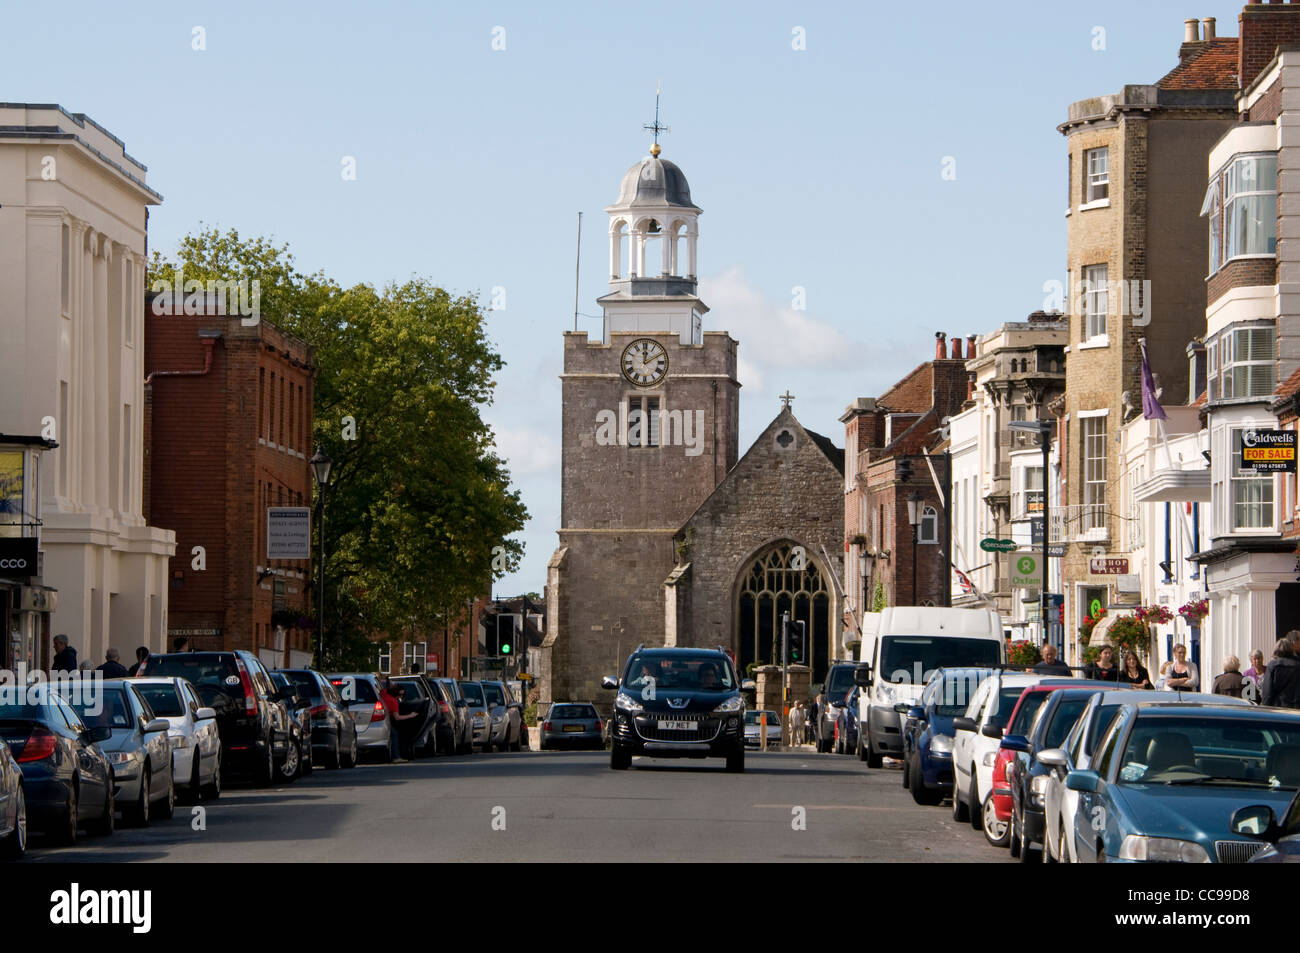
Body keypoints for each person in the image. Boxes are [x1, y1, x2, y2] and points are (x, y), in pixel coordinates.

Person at [1261, 639, 1300, 709]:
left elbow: (1267, 691)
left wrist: (1265, 707)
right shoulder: (1298, 666)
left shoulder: (1272, 665)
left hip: (1277, 707)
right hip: (1296, 707)